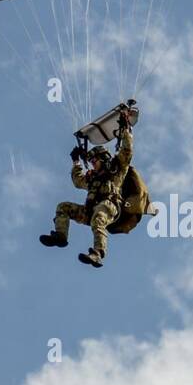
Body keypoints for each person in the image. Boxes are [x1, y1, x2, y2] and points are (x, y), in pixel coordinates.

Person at [39, 109, 147, 268]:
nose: (92, 164)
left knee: (99, 219)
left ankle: (97, 253)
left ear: (103, 159)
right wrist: (75, 162)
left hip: (109, 207)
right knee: (63, 207)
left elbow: (127, 151)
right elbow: (78, 181)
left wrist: (126, 131)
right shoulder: (92, 179)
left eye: (94, 160)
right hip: (90, 211)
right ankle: (61, 236)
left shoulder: (116, 171)